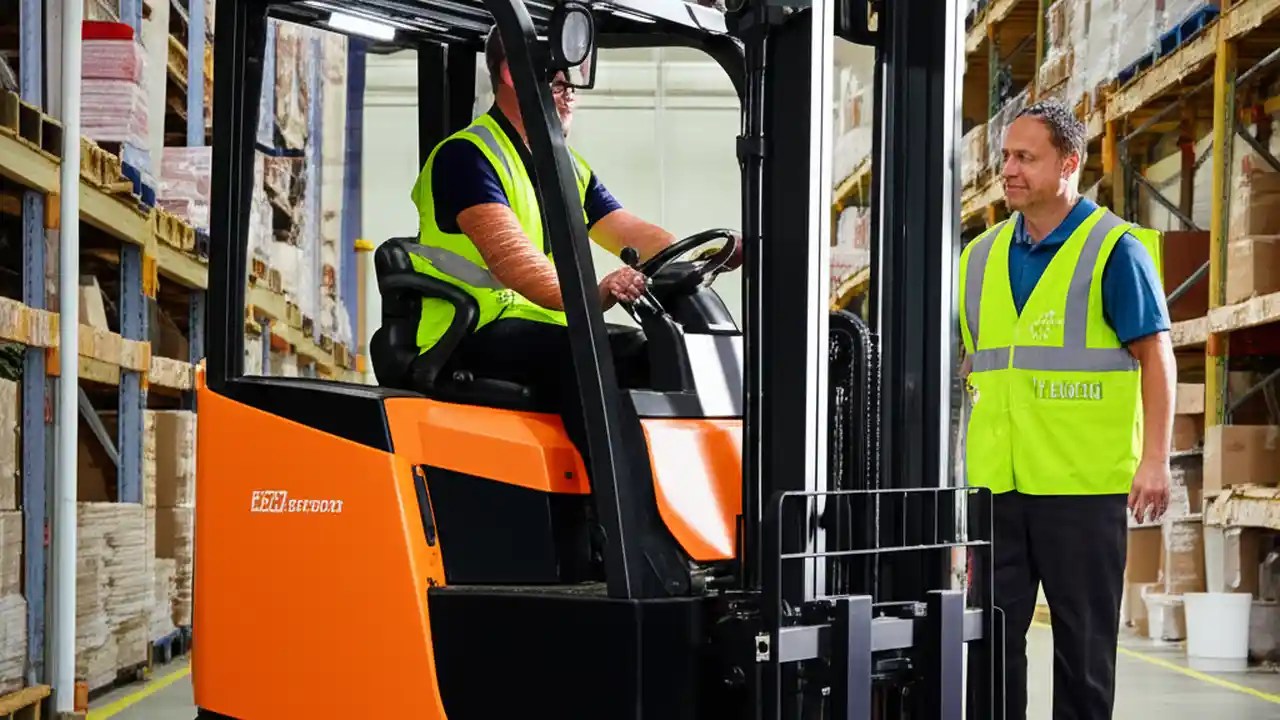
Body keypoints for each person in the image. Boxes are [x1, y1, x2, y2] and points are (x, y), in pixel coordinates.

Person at [407, 26, 742, 462]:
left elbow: (633, 234)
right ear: (511, 74)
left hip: (542, 323)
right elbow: (515, 263)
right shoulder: (466, 157)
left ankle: (655, 491)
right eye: (560, 83)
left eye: (572, 86)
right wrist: (597, 293)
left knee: (658, 351)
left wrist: (705, 257)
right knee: (595, 357)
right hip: (471, 331)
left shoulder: (567, 167)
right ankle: (612, 508)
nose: (570, 96)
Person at [958, 99, 1174, 720]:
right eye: (1006, 156)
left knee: (1083, 653)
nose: (1010, 170)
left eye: (1026, 157)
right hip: (999, 487)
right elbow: (978, 376)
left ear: (1069, 164)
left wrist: (1154, 462)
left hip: (1082, 489)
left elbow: (1156, 357)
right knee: (990, 647)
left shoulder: (1114, 249)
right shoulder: (979, 258)